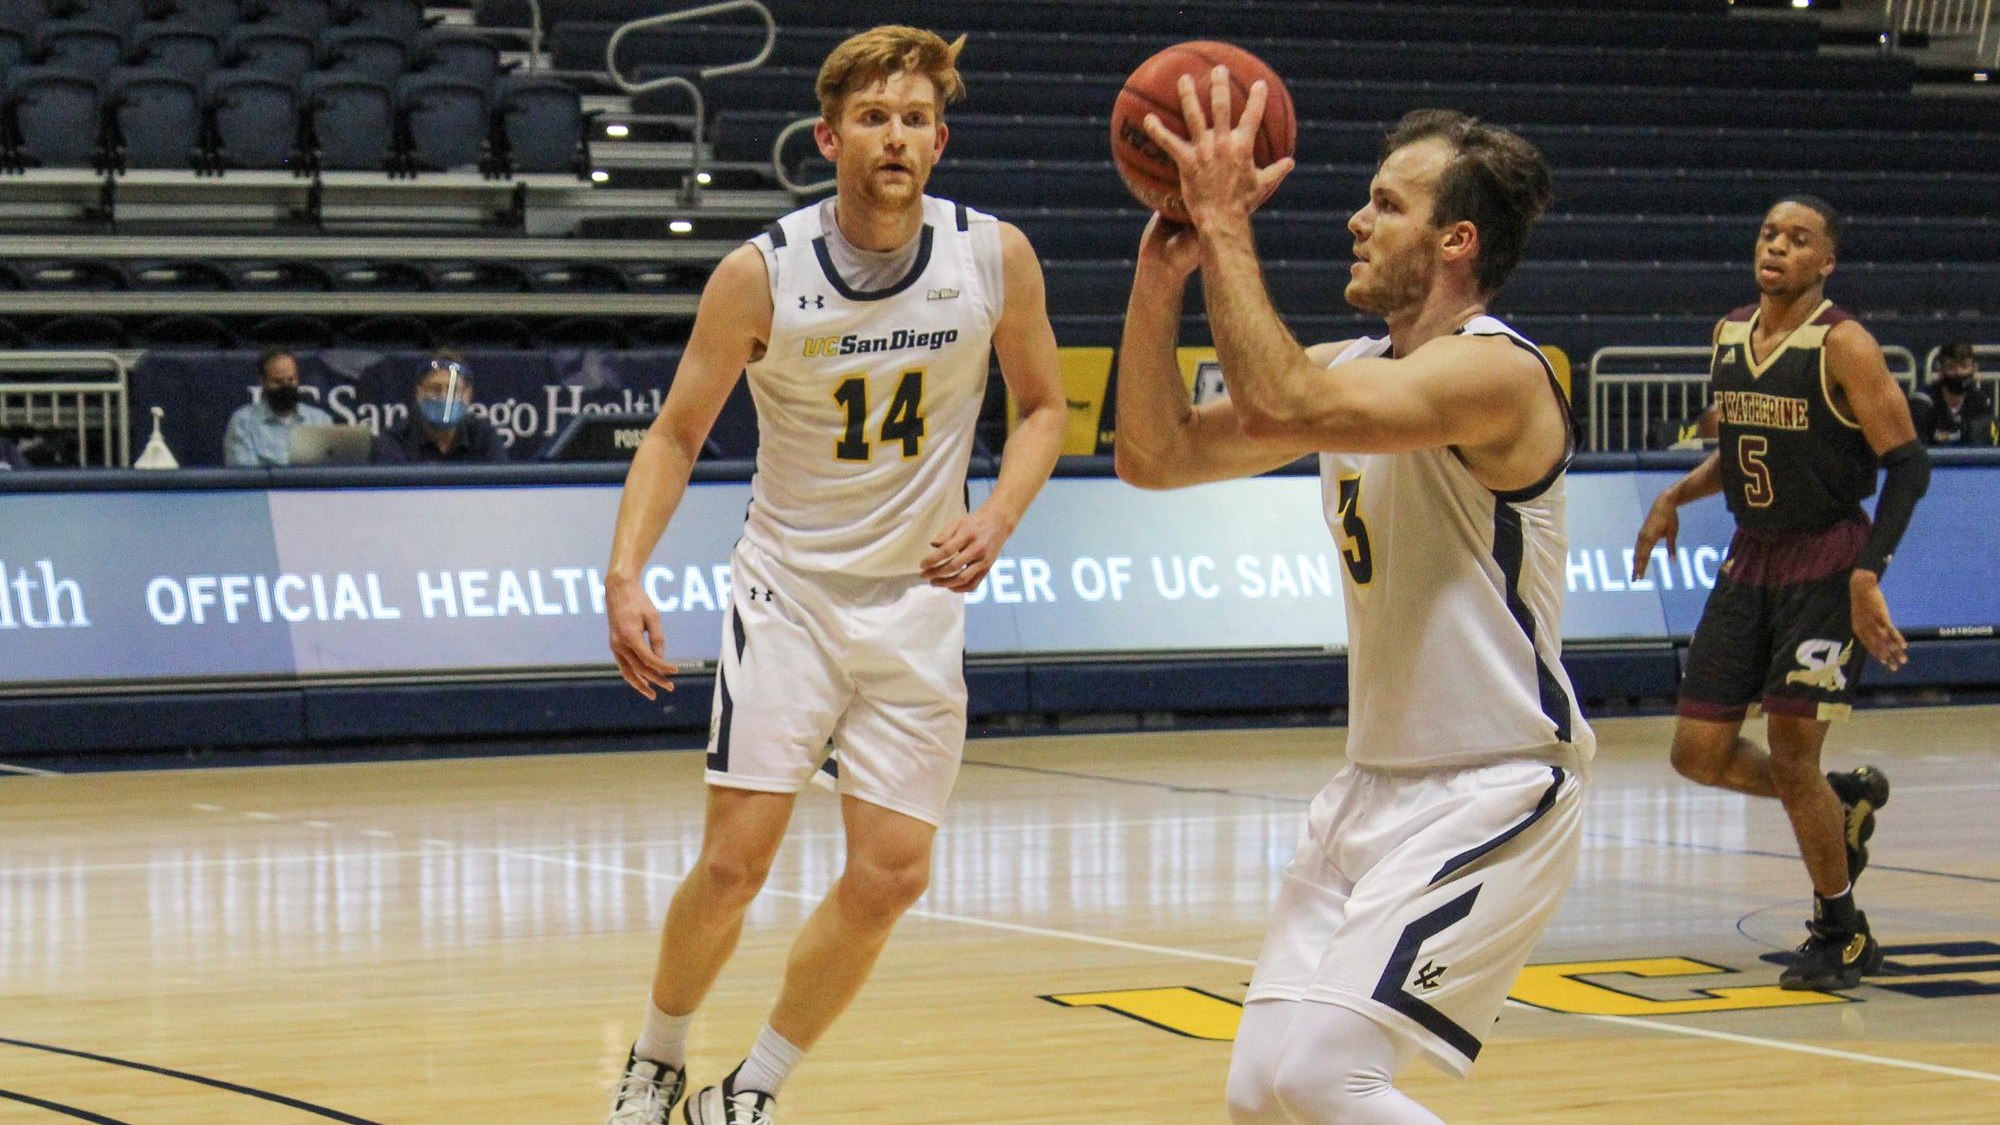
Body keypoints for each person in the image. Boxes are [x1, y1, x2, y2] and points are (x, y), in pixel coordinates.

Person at [599, 25, 1065, 1125]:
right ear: (828, 137)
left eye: (911, 120)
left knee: (894, 873)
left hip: (916, 604)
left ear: (938, 141)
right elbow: (672, 435)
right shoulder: (758, 274)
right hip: (789, 595)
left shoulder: (993, 257)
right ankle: (655, 1060)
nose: (892, 138)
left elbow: (1043, 407)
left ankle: (749, 1090)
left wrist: (996, 516)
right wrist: (626, 575)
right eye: (871, 118)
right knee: (734, 866)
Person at [1118, 86, 1590, 1124]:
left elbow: (1287, 400)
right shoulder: (1352, 367)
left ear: (1454, 241)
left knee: (1324, 1078)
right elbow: (1151, 457)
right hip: (1370, 787)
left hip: (1495, 780)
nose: (1354, 220)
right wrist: (1162, 277)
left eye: (1385, 204)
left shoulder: (1498, 375)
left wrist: (1229, 221)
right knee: (1258, 1093)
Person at [1634, 195, 1929, 991]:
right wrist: (1673, 498)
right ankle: (1840, 807)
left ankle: (1843, 931)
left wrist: (1869, 571)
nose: (1778, 247)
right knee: (1696, 753)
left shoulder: (1845, 344)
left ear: (1825, 262)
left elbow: (1909, 464)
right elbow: (1740, 451)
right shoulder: (1730, 335)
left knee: (1794, 753)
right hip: (1747, 558)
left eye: (1799, 240)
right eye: (1769, 233)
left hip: (1826, 562)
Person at [371, 353, 508, 464]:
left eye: (453, 390)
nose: (444, 397)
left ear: (467, 395)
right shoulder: (395, 442)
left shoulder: (484, 439)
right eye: (435, 389)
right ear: (420, 393)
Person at [221, 349, 333, 466]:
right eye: (277, 381)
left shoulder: (320, 420)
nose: (286, 386)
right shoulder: (243, 423)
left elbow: (333, 470)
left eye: (291, 380)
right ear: (262, 382)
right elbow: (244, 476)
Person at [1909, 341, 1994, 446]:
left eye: (1964, 366)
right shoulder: (1921, 402)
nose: (1958, 373)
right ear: (1941, 371)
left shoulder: (1980, 401)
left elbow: (1984, 446)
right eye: (1951, 367)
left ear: (1974, 369)